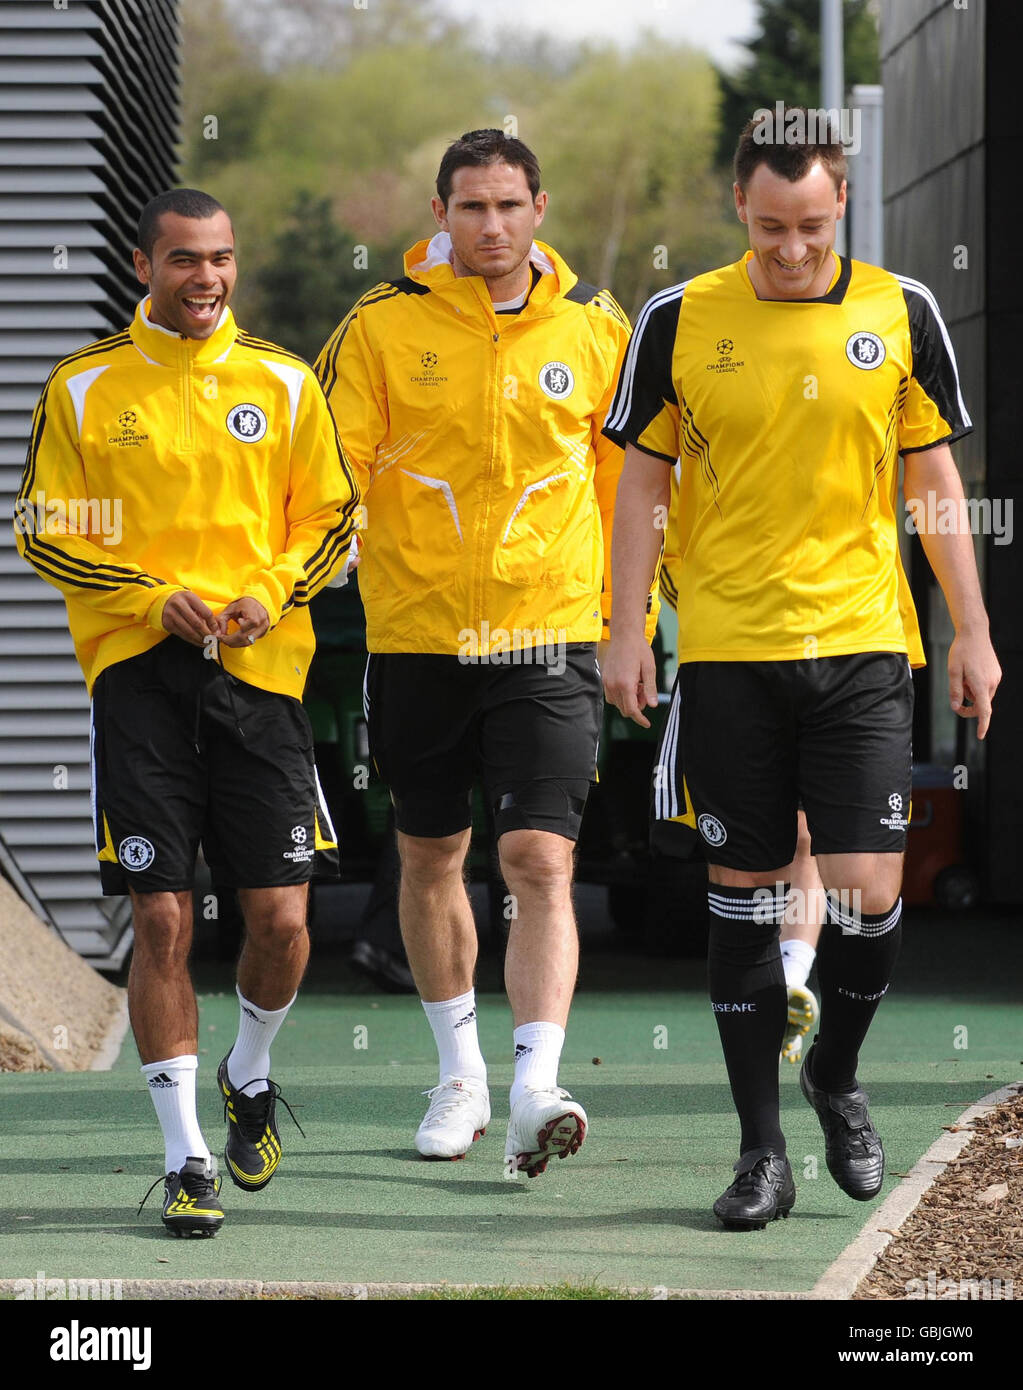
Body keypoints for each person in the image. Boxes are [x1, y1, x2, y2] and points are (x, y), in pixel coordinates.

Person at [602, 111, 1000, 1229]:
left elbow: (932, 484)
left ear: (844, 209)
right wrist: (625, 626)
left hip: (866, 644)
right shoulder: (678, 318)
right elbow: (641, 485)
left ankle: (832, 1072)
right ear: (739, 205)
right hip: (728, 651)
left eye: (813, 227)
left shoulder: (901, 310)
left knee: (871, 891)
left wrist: (971, 628)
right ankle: (760, 1154)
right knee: (747, 891)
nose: (791, 249)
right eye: (772, 227)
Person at [15, 188, 359, 1236]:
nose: (205, 278)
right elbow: (43, 528)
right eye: (183, 261)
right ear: (142, 266)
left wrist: (274, 585)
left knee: (283, 920)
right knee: (162, 914)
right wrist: (145, 597)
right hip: (136, 680)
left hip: (260, 679)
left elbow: (334, 521)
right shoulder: (82, 389)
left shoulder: (286, 383)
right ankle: (186, 1160)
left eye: (220, 258)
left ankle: (247, 1074)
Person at [316, 129, 651, 1177]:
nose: (491, 225)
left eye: (509, 205)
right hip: (416, 636)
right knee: (429, 856)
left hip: (549, 633)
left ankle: (536, 1083)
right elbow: (335, 471)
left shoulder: (598, 328)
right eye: (471, 207)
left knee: (540, 857)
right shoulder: (378, 324)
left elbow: (629, 489)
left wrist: (626, 625)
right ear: (441, 212)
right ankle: (461, 1075)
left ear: (540, 207)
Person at [654, 462, 823, 1065]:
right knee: (744, 854)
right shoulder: (687, 401)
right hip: (726, 649)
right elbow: (659, 533)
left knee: (810, 832)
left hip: (832, 639)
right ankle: (763, 985)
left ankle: (793, 974)